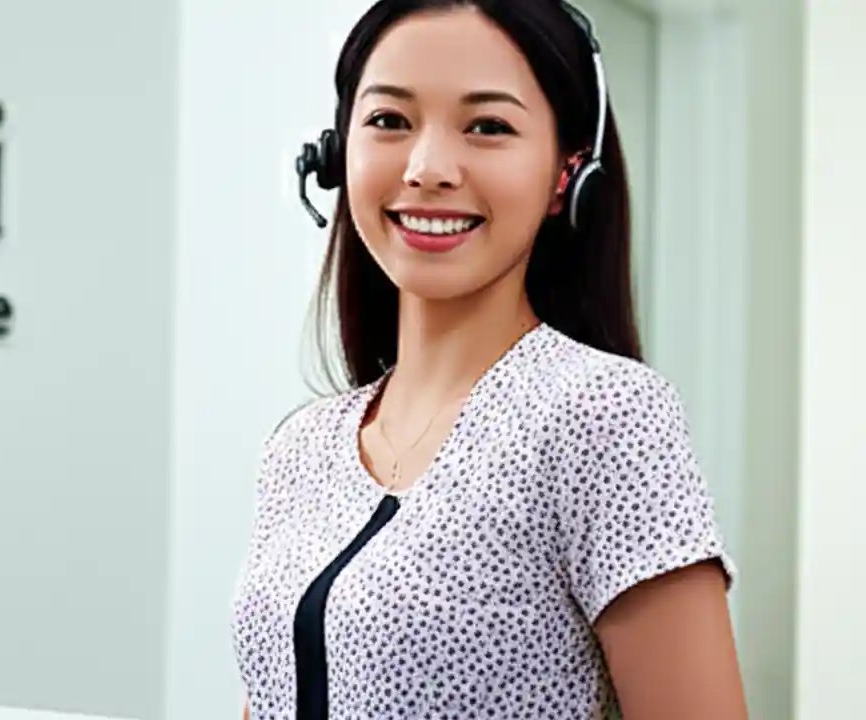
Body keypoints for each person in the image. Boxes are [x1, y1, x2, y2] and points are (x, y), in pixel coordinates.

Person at [230, 1, 747, 718]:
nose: (427, 168)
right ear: (333, 155)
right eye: (389, 121)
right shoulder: (298, 452)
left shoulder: (603, 416)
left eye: (488, 127)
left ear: (567, 172)